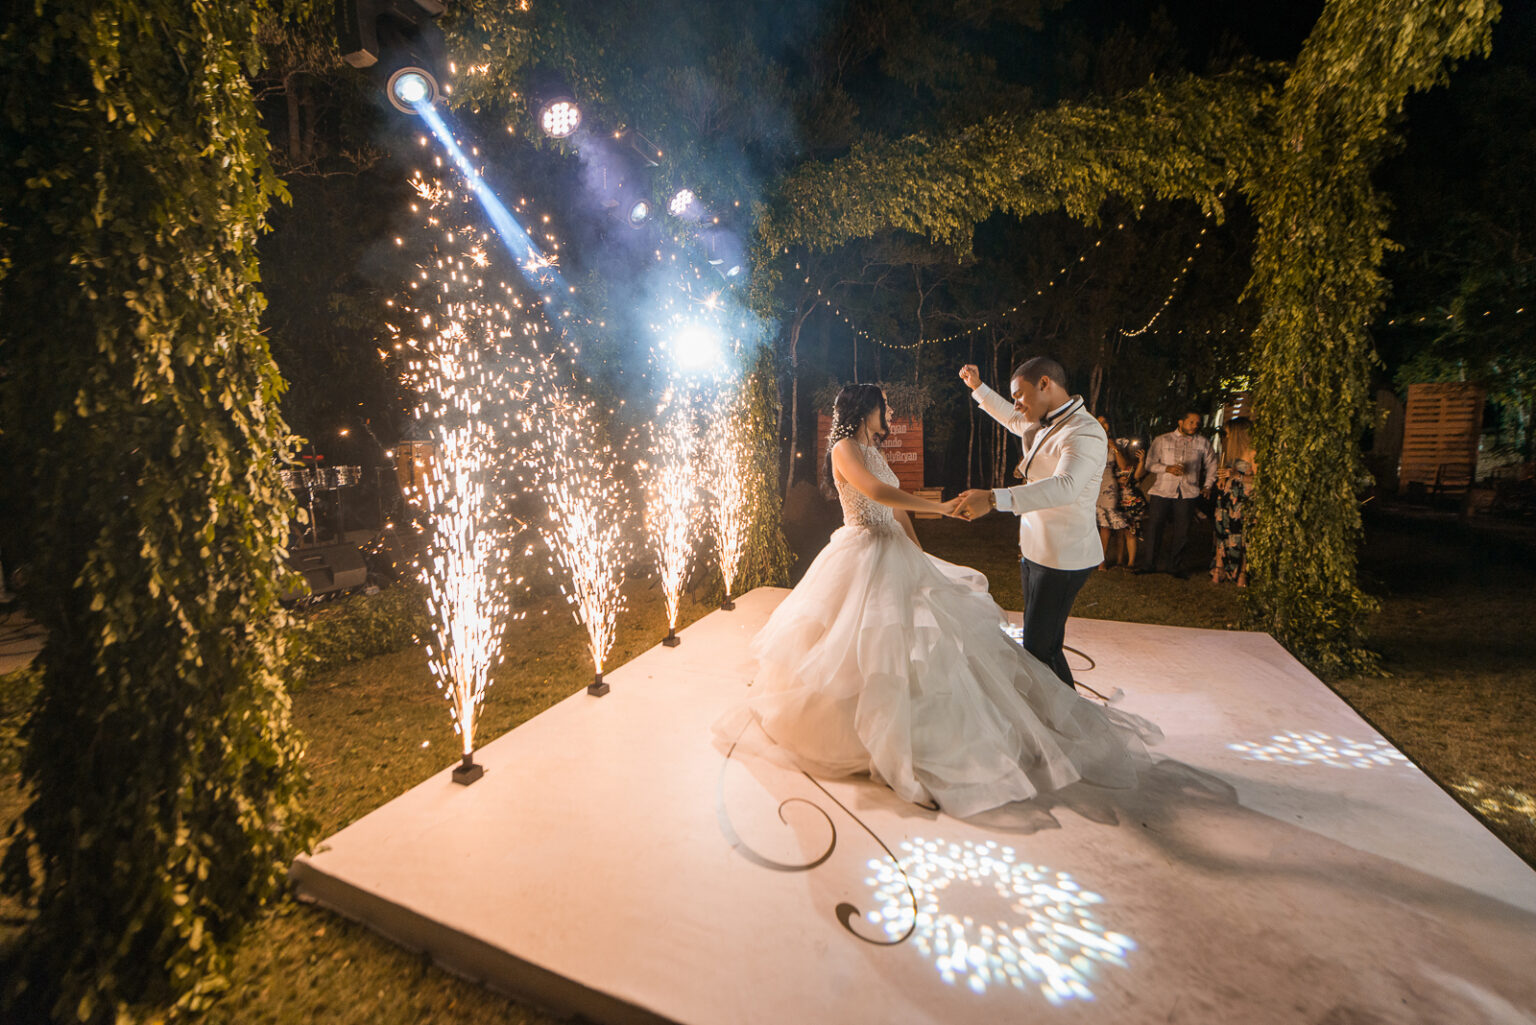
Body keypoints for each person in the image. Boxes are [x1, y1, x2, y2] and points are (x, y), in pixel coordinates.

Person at [714, 383, 1159, 819]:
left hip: (895, 550)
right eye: (882, 406)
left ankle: (931, 731)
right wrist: (943, 508)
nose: (887, 412)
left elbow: (898, 510)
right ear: (864, 407)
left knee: (922, 642)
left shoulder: (874, 449)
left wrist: (917, 549)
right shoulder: (845, 448)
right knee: (869, 643)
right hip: (860, 553)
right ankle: (875, 742)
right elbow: (878, 494)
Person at [955, 358, 1105, 687]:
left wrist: (995, 498)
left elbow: (1066, 486)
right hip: (1035, 551)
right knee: (1043, 644)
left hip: (1064, 557)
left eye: (1020, 395)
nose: (1017, 404)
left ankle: (1072, 727)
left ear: (1045, 384)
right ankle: (1056, 719)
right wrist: (978, 388)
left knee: (1039, 647)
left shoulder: (1084, 431)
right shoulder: (1043, 424)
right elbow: (1011, 418)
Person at [1136, 411, 1216, 577]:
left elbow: (1212, 465)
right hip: (1162, 489)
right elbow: (1150, 464)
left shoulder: (1202, 443)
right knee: (1155, 527)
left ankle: (1175, 566)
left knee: (1182, 530)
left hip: (1188, 491)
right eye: (1191, 422)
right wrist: (1167, 468)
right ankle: (1149, 564)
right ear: (1181, 422)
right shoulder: (1162, 440)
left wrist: (1207, 485)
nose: (1195, 426)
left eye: (1197, 423)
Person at [1094, 416, 1147, 570]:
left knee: (1106, 525)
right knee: (1091, 525)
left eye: (1106, 422)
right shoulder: (1088, 443)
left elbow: (1123, 466)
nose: (1103, 425)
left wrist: (1114, 448)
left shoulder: (1116, 443)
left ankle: (1102, 561)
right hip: (1092, 484)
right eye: (1099, 422)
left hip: (1109, 486)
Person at [1211, 418, 1257, 586]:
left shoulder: (1253, 452)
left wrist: (1237, 476)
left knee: (1242, 536)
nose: (1227, 436)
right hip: (1228, 497)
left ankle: (1242, 573)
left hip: (1243, 499)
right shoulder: (1230, 452)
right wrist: (1222, 481)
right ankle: (1219, 569)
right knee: (1222, 532)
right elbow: (1227, 475)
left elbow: (1258, 479)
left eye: (1229, 433)